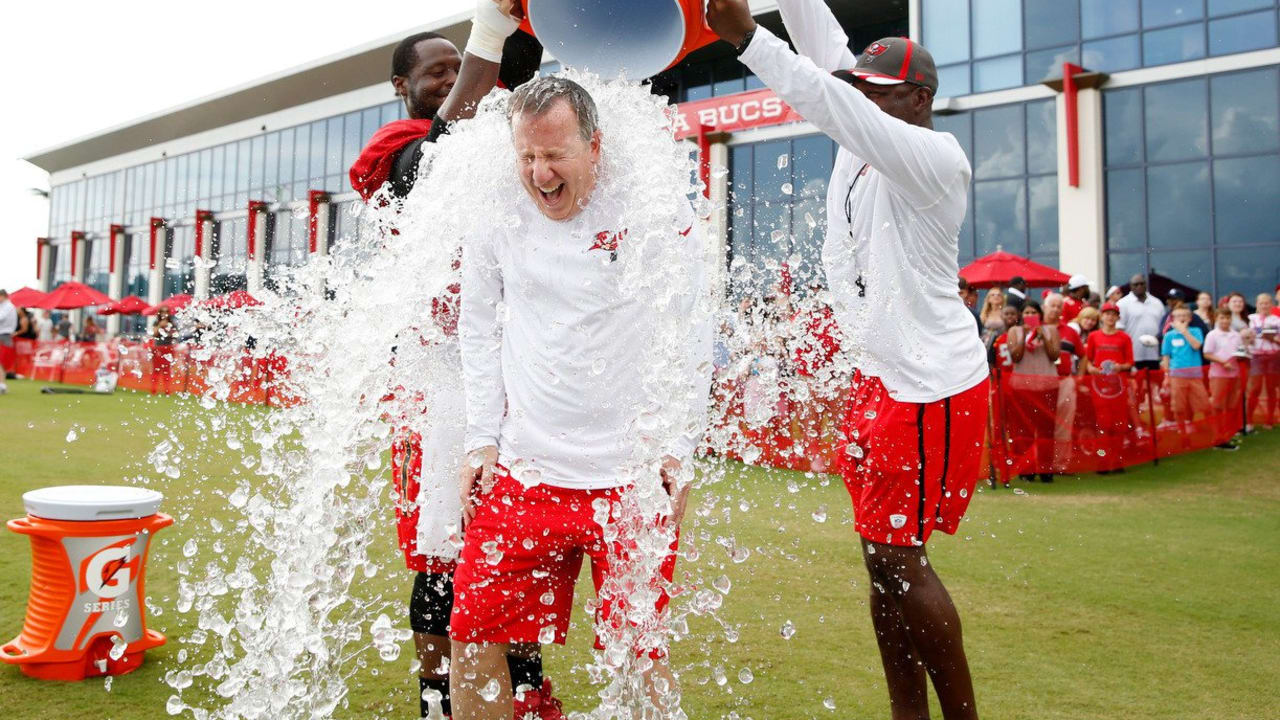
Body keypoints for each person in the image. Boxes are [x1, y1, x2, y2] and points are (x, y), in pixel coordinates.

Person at [706, 1, 990, 717]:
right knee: (879, 559)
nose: (861, 95)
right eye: (859, 86)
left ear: (918, 99)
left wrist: (744, 36)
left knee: (900, 558)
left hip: (931, 386)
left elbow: (828, 95)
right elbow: (821, 46)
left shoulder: (933, 158)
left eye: (878, 89)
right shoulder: (865, 139)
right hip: (883, 378)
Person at [451, 76, 713, 720]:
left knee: (637, 653)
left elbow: (692, 328)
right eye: (526, 157)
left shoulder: (653, 208)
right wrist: (480, 438)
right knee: (473, 636)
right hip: (525, 470)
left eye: (554, 156)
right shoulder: (496, 214)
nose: (538, 174)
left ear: (595, 147)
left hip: (630, 480)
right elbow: (478, 325)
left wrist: (678, 446)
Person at [348, 20, 558, 720]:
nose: (452, 76)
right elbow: (428, 168)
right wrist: (486, 38)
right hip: (437, 380)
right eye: (437, 69)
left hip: (509, 372)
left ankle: (526, 686)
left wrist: (522, 42)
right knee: (441, 555)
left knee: (517, 545)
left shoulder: (501, 148)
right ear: (401, 86)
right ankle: (436, 698)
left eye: (457, 67)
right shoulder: (398, 151)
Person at [1008, 301, 1060, 482]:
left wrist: (1042, 336)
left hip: (1047, 386)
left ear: (1039, 314)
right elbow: (1015, 356)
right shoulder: (1014, 332)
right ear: (1022, 315)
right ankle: (1027, 470)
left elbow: (1055, 355)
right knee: (1024, 430)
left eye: (1033, 312)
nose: (1030, 315)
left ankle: (1046, 469)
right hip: (1022, 387)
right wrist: (1025, 336)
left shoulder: (1050, 330)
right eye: (1027, 312)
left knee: (1047, 429)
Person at [1084, 303, 1135, 473]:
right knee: (1102, 424)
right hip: (1099, 387)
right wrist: (1091, 369)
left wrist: (1120, 367)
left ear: (1118, 317)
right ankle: (1102, 461)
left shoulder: (1124, 337)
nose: (1110, 317)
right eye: (1107, 314)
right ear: (1102, 316)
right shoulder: (1093, 336)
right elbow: (1088, 359)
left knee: (1119, 424)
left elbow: (1130, 362)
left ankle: (1118, 460)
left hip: (1118, 387)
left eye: (1114, 314)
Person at [1045, 293, 1081, 472]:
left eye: (1059, 306)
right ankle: (1041, 463)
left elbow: (1083, 356)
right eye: (1052, 305)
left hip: (1065, 381)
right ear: (1044, 307)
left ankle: (1060, 464)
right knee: (1041, 424)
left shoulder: (1070, 331)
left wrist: (1080, 377)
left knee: (1063, 424)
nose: (1056, 309)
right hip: (1042, 382)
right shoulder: (1035, 329)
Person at [1160, 305, 1207, 439]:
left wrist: (1184, 331)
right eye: (1178, 316)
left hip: (1194, 374)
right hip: (1177, 375)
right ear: (1173, 319)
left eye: (1184, 316)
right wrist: (1166, 376)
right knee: (1179, 405)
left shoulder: (1196, 331)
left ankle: (1206, 428)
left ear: (1190, 318)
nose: (1181, 318)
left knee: (1202, 403)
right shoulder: (1169, 335)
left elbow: (1196, 345)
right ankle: (1182, 431)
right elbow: (1166, 356)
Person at [1203, 307, 1244, 448]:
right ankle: (1218, 438)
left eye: (1227, 318)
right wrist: (1223, 362)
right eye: (1222, 318)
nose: (1225, 321)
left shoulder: (1236, 335)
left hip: (1234, 374)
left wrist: (1239, 357)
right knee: (1218, 406)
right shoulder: (1212, 335)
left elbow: (1240, 352)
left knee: (1231, 405)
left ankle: (1227, 434)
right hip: (1218, 375)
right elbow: (1207, 353)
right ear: (1216, 318)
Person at [1245, 293, 1280, 430]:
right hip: (1256, 357)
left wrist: (1272, 338)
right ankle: (1249, 421)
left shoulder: (1277, 320)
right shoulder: (1250, 319)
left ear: (1271, 305)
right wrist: (1250, 338)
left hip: (1273, 356)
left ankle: (1269, 420)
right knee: (1255, 388)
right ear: (1257, 304)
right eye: (1261, 303)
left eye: (1267, 303)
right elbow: (1244, 338)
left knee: (1271, 389)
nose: (1264, 306)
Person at [1117, 275, 1165, 371]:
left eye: (1142, 284)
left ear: (1146, 284)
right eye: (1136, 284)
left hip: (1154, 355)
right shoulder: (1122, 303)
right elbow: (1119, 329)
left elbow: (1163, 328)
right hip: (1133, 355)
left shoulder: (1157, 303)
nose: (1139, 286)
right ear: (1131, 286)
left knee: (1154, 385)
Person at [150, 306, 178, 395]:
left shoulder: (172, 323)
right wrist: (160, 326)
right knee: (156, 369)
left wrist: (168, 329)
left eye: (166, 312)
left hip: (168, 348)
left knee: (167, 370)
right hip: (158, 348)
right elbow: (154, 333)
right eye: (162, 312)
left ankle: (167, 390)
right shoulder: (156, 322)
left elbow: (175, 334)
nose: (164, 314)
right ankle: (153, 389)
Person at [0, 290, 17, 382]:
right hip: (5, 335)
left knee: (1, 362)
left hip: (3, 335)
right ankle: (2, 384)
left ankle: (1, 384)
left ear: (2, 296)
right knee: (2, 362)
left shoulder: (7, 306)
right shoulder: (8, 306)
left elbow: (1, 317)